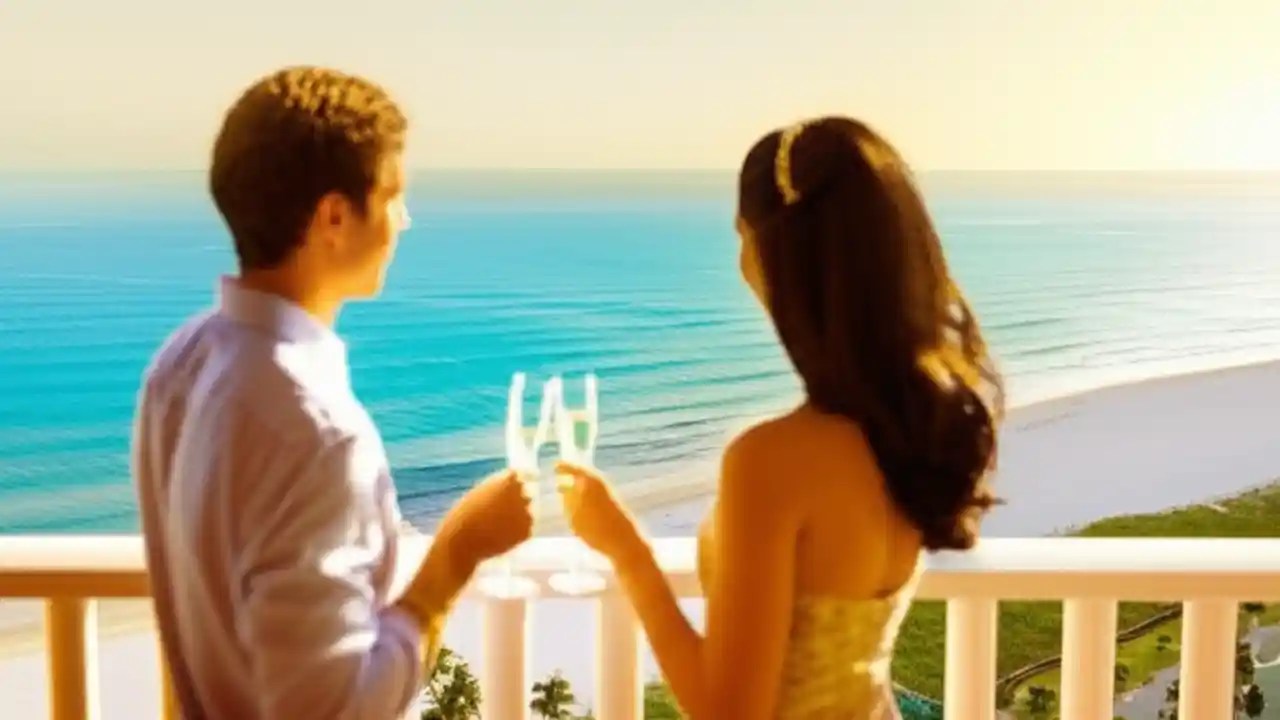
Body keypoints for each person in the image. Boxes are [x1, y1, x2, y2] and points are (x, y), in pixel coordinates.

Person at [556, 116, 1005, 719]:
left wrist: (627, 550)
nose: (740, 260)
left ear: (779, 255)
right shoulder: (905, 428)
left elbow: (727, 713)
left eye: (743, 236)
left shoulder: (771, 461)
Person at [131, 66, 534, 720]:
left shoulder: (180, 365)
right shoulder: (314, 431)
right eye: (393, 196)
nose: (405, 220)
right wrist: (456, 555)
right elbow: (333, 707)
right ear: (335, 217)